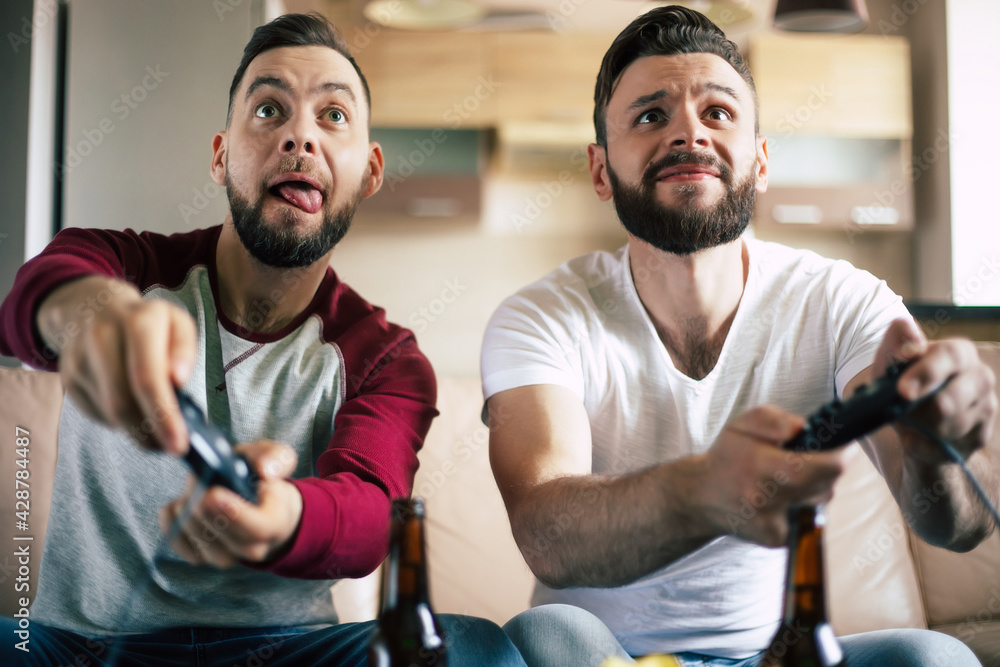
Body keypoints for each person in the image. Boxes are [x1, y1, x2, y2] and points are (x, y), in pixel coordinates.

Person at [0, 13, 525, 666]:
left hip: (285, 655)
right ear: (221, 155)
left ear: (370, 169)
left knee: (477, 647)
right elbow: (38, 296)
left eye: (333, 116)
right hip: (77, 647)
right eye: (269, 109)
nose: (299, 135)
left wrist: (284, 518)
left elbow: (368, 513)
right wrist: (92, 314)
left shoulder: (388, 358)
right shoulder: (121, 265)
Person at [482, 6, 997, 667]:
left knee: (935, 656)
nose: (688, 132)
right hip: (606, 657)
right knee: (545, 636)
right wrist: (704, 490)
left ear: (759, 159)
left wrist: (938, 452)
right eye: (650, 116)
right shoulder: (542, 315)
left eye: (718, 112)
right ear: (601, 169)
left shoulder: (841, 302)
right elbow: (545, 532)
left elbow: (955, 524)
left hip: (773, 657)